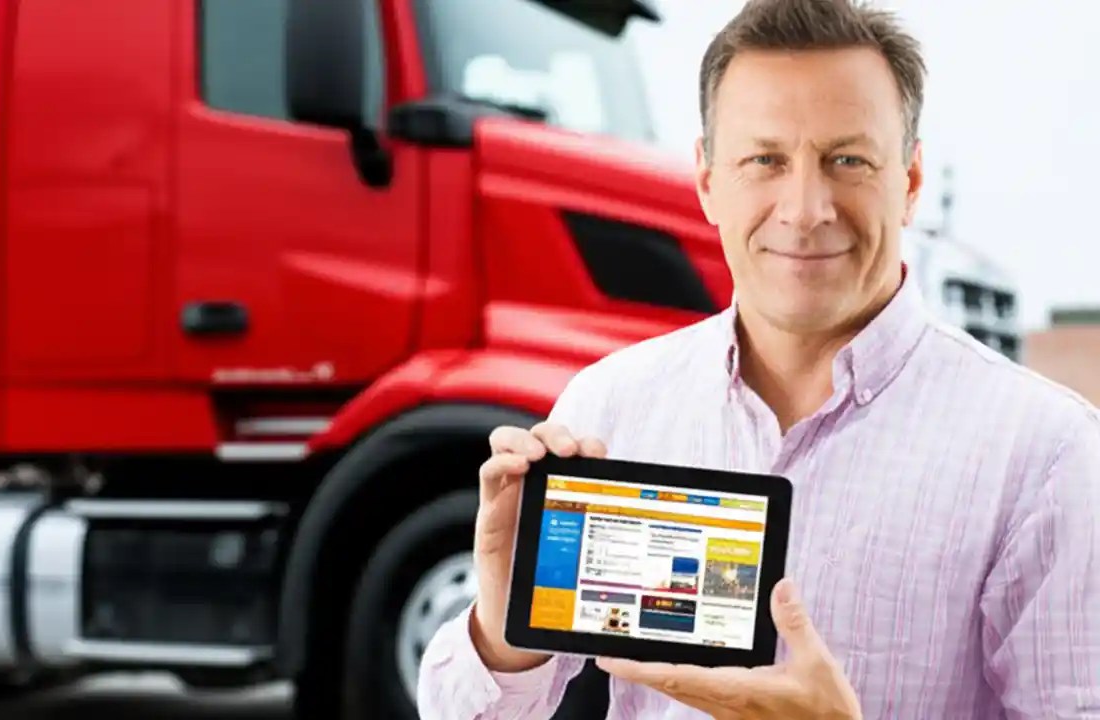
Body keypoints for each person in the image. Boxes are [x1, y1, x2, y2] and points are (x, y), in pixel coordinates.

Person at [416, 0, 1100, 718]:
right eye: (765, 160)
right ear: (708, 182)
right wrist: (502, 632)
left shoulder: (1047, 455)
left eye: (848, 160)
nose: (805, 209)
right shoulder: (609, 406)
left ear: (910, 182)